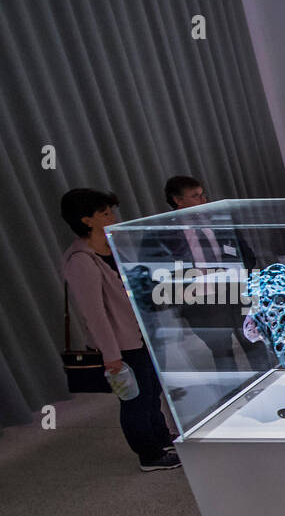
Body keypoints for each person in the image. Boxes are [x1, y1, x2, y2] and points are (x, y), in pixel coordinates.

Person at [59, 188, 179, 471]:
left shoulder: (111, 246)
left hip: (141, 333)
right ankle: (149, 455)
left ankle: (161, 437)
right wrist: (111, 356)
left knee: (151, 392)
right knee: (134, 399)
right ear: (86, 220)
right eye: (104, 213)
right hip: (122, 343)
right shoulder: (81, 260)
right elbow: (95, 314)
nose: (112, 217)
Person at [159, 174, 257, 372]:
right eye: (195, 196)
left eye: (203, 195)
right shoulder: (166, 233)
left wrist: (245, 282)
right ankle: (233, 396)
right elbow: (164, 271)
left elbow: (246, 255)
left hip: (236, 294)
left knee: (254, 342)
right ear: (177, 200)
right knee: (221, 352)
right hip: (202, 302)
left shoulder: (219, 222)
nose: (203, 201)